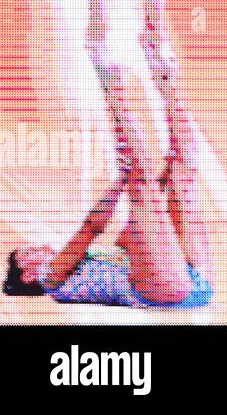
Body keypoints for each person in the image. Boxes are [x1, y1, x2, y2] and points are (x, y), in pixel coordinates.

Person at [6, 81, 212, 310]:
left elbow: (139, 235)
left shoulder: (96, 261)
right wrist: (121, 182)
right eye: (27, 253)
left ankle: (162, 93)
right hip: (165, 289)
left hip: (191, 284)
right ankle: (122, 92)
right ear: (28, 276)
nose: (38, 246)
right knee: (147, 186)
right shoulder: (51, 279)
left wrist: (162, 176)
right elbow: (91, 227)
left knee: (174, 177)